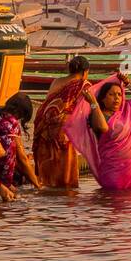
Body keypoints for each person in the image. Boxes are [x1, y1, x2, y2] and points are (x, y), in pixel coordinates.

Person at [65, 71, 131, 191]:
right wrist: (93, 103)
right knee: (113, 204)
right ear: (103, 99)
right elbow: (103, 127)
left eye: (119, 94)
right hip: (114, 173)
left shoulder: (128, 110)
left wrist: (128, 83)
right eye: (111, 95)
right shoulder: (96, 115)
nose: (116, 98)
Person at [33, 55, 90, 189]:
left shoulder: (56, 81)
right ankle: (66, 196)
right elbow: (86, 109)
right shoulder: (84, 85)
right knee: (66, 170)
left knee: (48, 163)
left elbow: (49, 103)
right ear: (85, 72)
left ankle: (47, 190)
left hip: (44, 126)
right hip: (64, 131)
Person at [0, 93, 43, 190]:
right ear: (21, 113)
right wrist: (37, 185)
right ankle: (5, 182)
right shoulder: (11, 122)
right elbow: (21, 158)